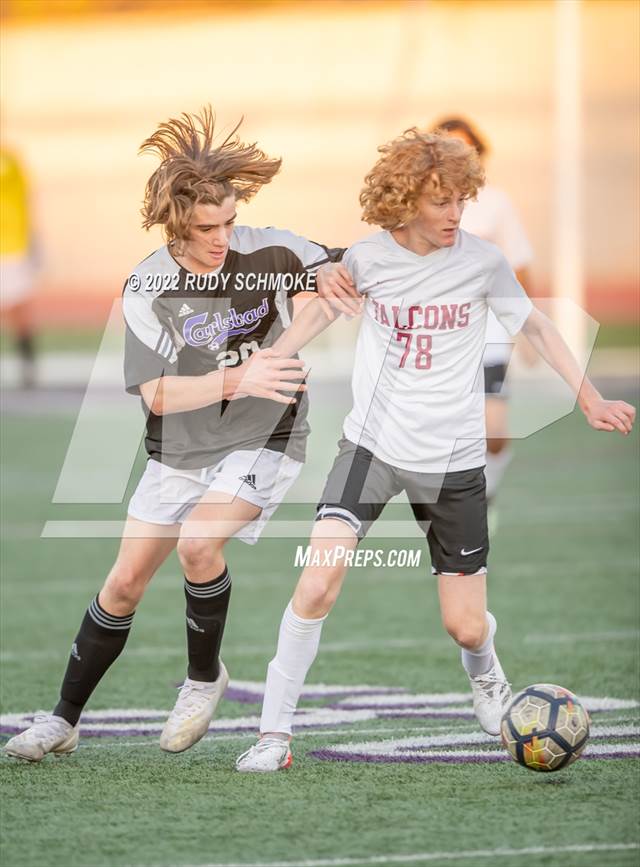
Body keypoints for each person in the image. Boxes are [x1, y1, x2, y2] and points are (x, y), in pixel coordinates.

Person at [235, 128, 635, 772]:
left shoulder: (482, 261)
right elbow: (314, 316)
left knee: (466, 628)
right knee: (316, 583)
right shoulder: (365, 260)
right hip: (370, 448)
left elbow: (533, 323)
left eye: (460, 201)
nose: (454, 215)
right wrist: (269, 362)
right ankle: (273, 737)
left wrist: (587, 395)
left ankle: (487, 678)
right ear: (404, 199)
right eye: (440, 201)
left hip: (453, 461)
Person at [4, 106, 343, 762]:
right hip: (183, 443)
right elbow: (157, 393)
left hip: (266, 434)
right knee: (124, 582)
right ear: (174, 226)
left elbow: (340, 275)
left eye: (229, 223)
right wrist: (237, 378)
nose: (222, 239)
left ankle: (201, 679)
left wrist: (318, 295)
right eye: (206, 228)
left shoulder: (269, 248)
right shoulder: (148, 286)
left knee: (197, 543)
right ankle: (64, 718)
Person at [432, 117, 535, 527]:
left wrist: (526, 328)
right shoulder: (417, 201)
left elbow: (521, 267)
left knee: (493, 429)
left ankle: (486, 492)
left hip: (487, 331)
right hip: (436, 333)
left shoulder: (495, 203)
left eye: (464, 148)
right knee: (442, 430)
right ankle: (451, 503)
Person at [0, 148, 39, 388]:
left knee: (19, 308)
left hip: (12, 246)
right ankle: (27, 363)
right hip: (15, 245)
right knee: (18, 309)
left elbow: (25, 200)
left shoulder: (10, 160)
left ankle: (27, 363)